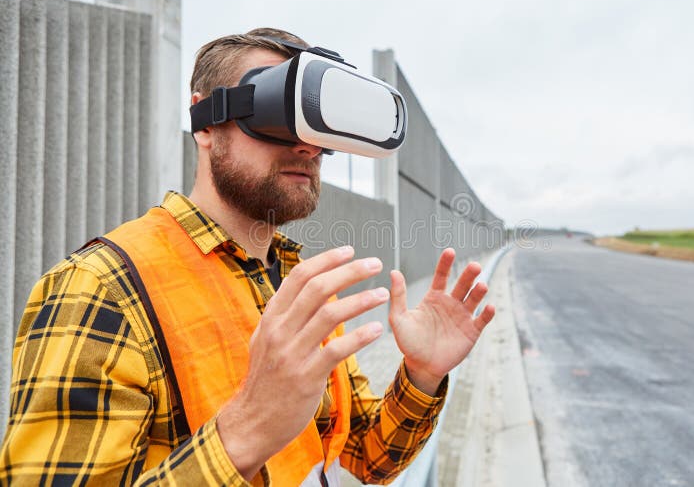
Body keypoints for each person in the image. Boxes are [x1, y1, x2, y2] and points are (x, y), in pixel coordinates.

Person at [0, 28, 495, 486]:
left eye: (317, 125)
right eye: (277, 113)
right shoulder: (99, 288)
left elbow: (369, 456)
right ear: (206, 123)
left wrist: (422, 375)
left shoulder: (298, 283)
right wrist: (246, 431)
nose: (305, 145)